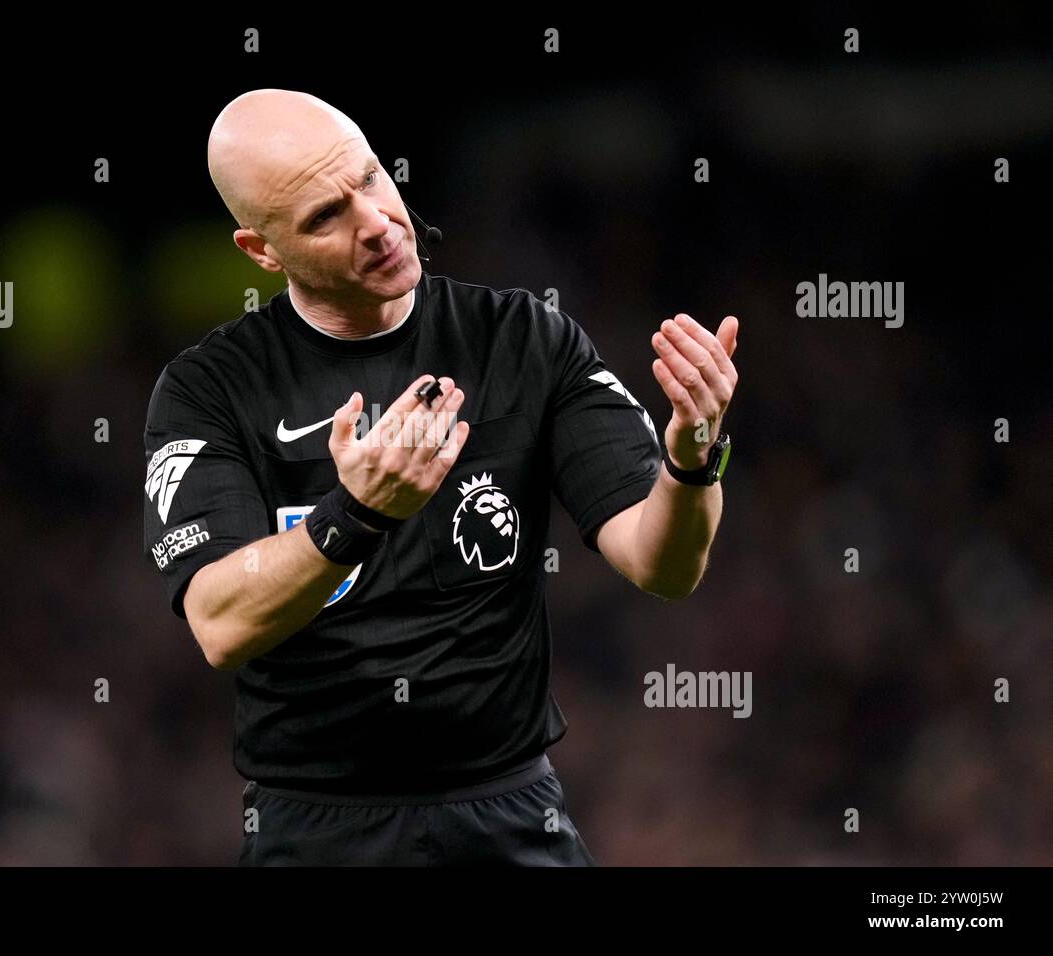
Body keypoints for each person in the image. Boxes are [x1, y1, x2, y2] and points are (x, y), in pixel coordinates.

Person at [143, 89, 739, 865]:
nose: (376, 222)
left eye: (369, 178)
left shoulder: (523, 339)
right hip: (317, 831)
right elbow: (220, 622)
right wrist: (353, 516)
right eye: (326, 216)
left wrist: (693, 462)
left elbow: (664, 564)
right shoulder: (210, 390)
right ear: (261, 251)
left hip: (512, 815)